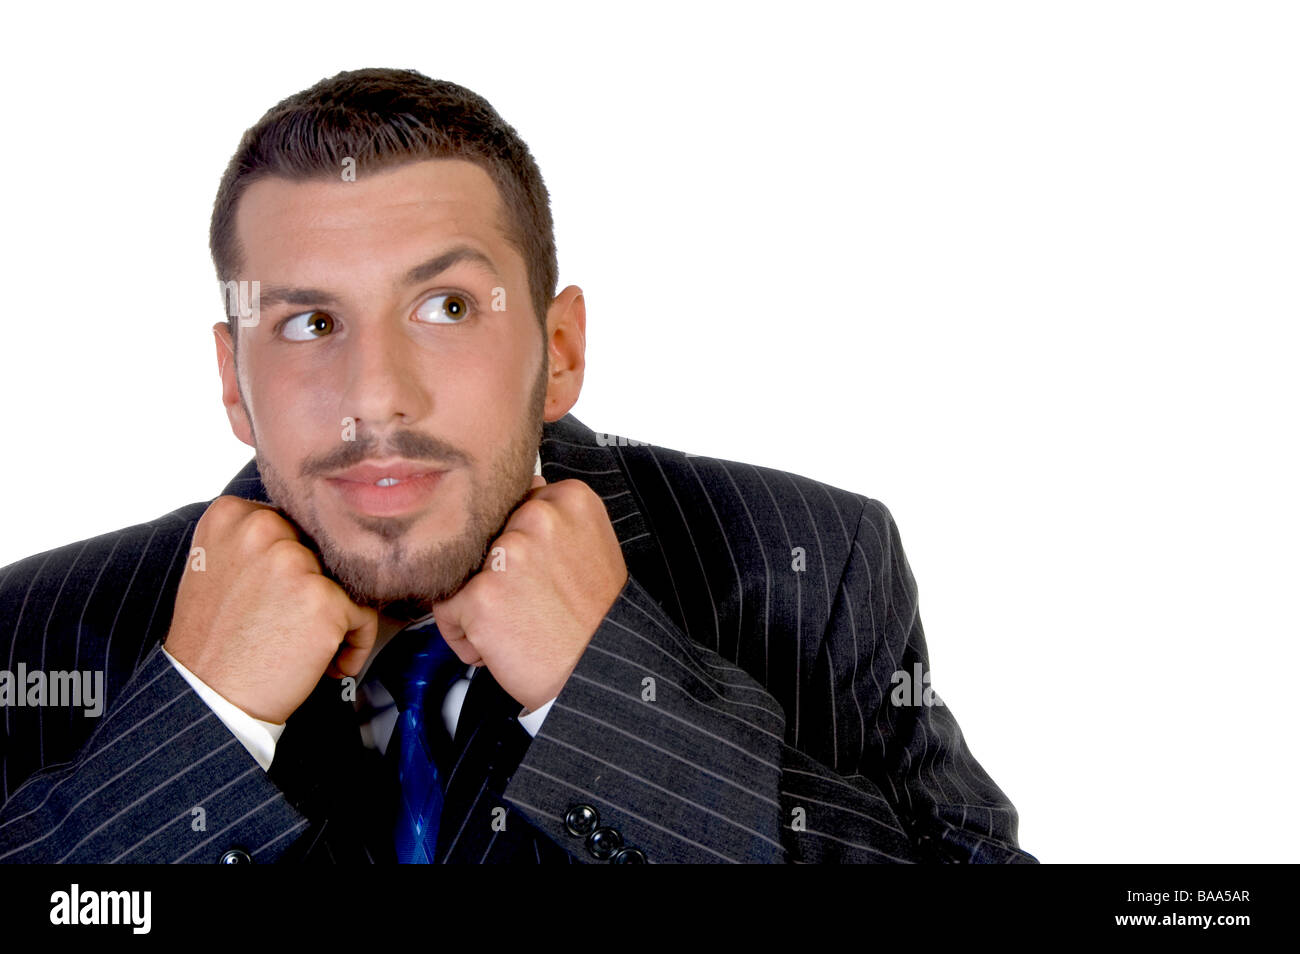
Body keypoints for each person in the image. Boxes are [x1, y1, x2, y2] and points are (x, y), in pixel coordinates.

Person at [0, 68, 1035, 864]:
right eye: (310, 321)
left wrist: (622, 709)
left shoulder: (808, 568)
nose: (377, 395)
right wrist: (201, 723)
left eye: (445, 308)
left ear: (560, 351)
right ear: (234, 379)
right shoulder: (37, 627)